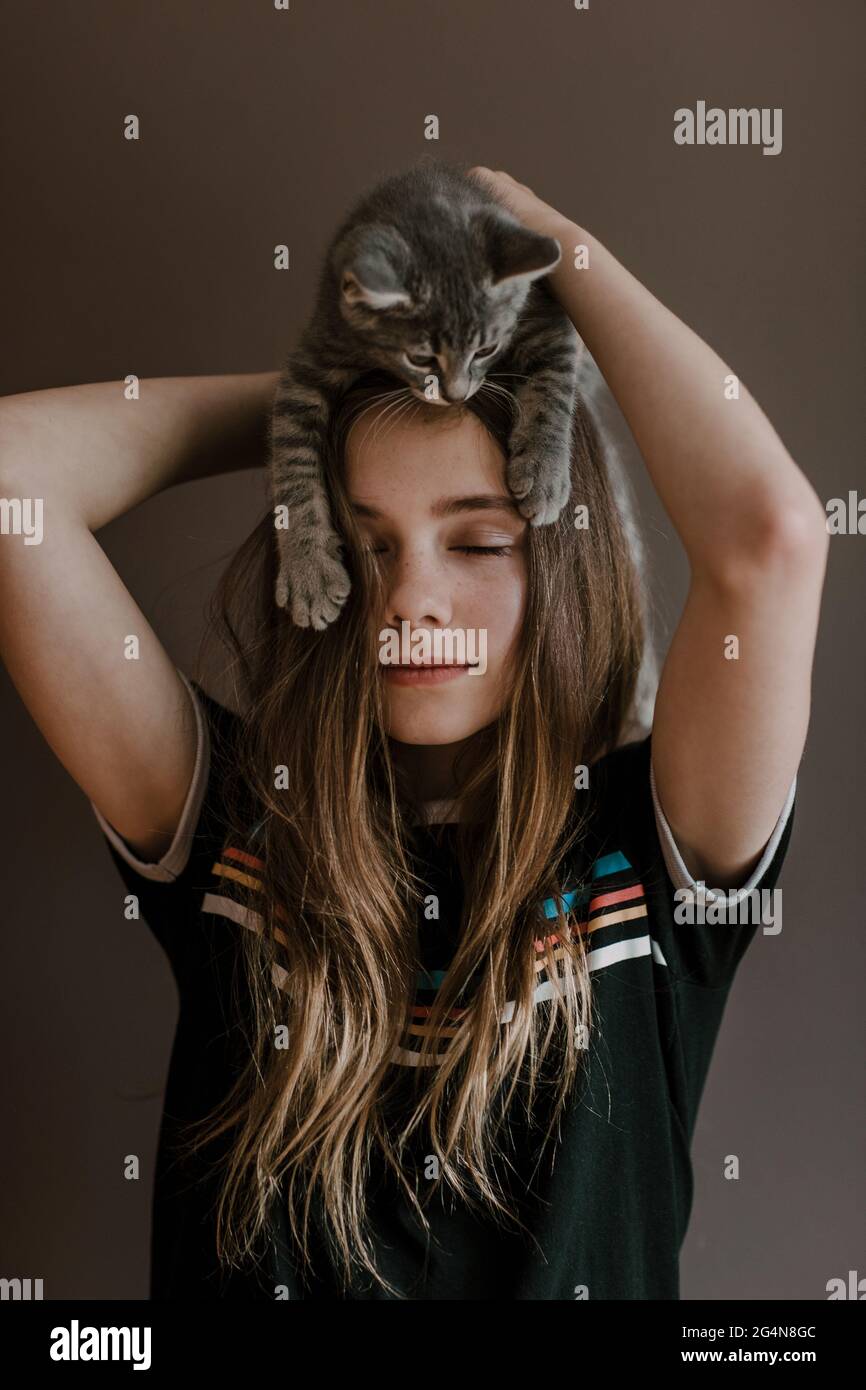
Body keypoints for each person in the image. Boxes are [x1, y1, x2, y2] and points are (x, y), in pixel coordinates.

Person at [0, 169, 828, 1301]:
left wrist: (559, 259)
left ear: (558, 564)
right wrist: (335, 384)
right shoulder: (237, 823)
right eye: (368, 539)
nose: (410, 600)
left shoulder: (645, 845)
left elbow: (773, 534)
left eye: (478, 543)